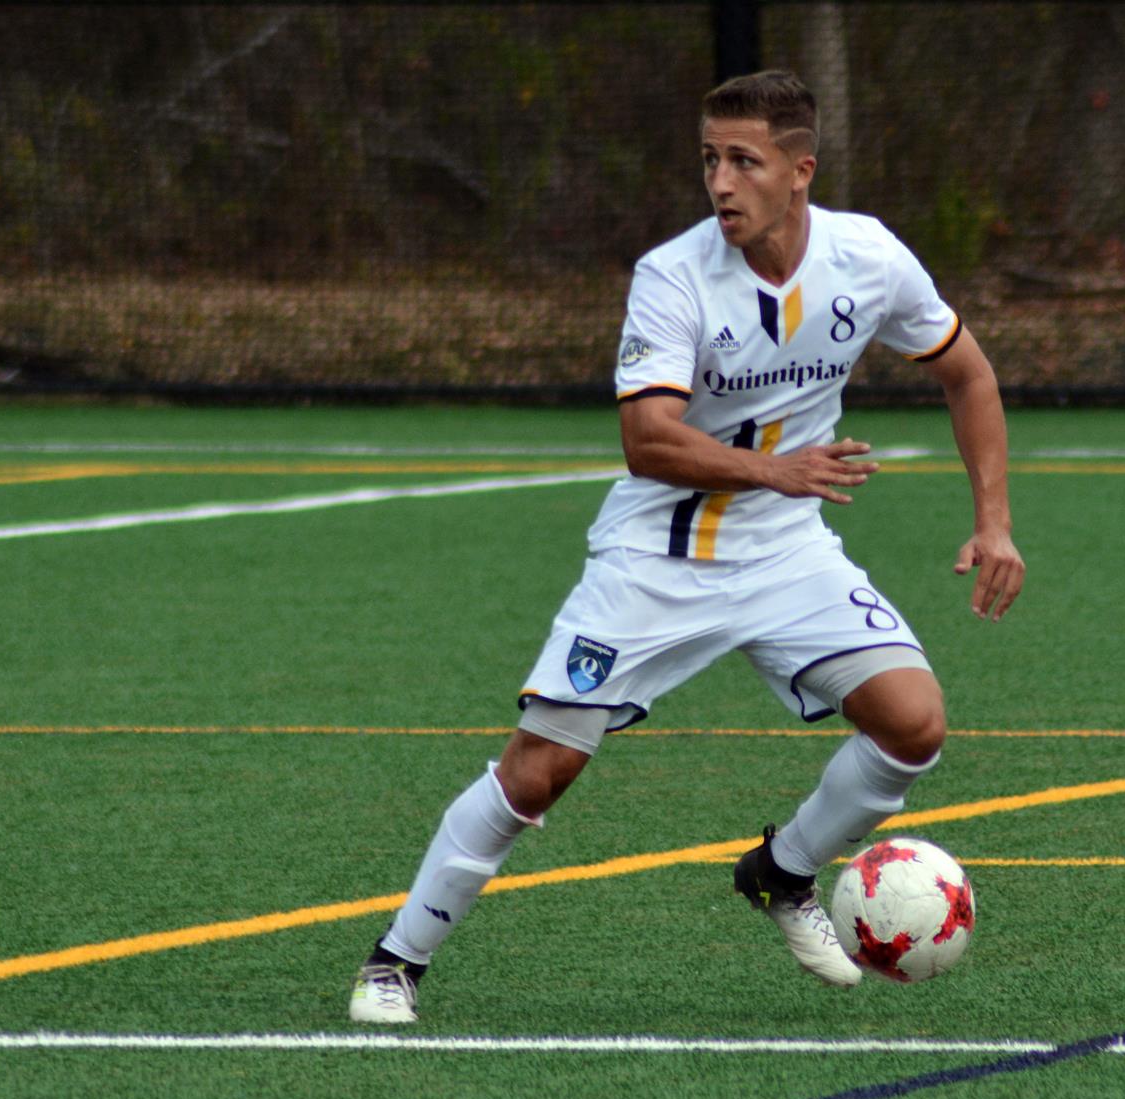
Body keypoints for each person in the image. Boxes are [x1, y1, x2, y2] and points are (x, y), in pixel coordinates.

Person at [350, 69, 1023, 1022]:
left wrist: (992, 520)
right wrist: (776, 471)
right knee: (540, 768)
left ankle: (782, 872)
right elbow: (648, 440)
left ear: (801, 170)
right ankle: (395, 960)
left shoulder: (868, 257)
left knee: (914, 723)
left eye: (744, 161)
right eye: (710, 159)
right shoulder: (673, 276)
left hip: (789, 552)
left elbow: (967, 371)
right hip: (658, 558)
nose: (720, 182)